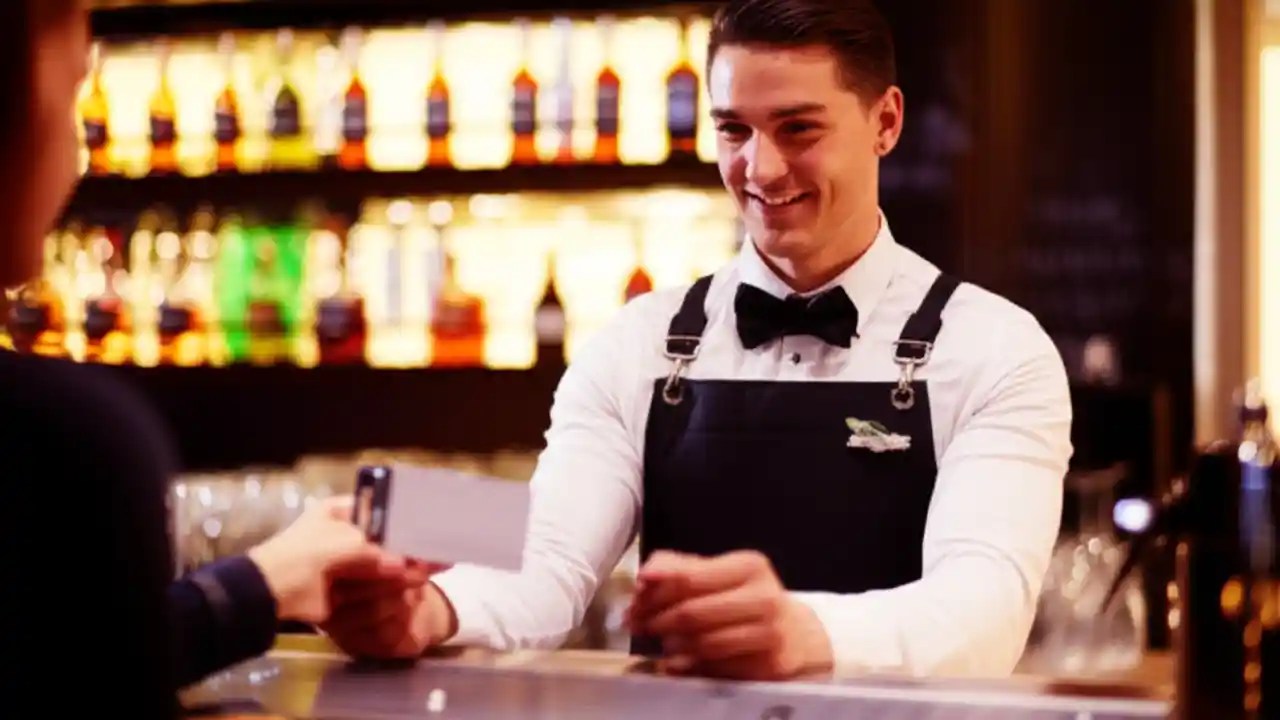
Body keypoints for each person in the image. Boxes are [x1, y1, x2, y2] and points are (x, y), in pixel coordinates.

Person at [323, 0, 1072, 681]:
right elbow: (549, 556)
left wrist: (805, 632)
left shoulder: (996, 350)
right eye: (733, 129)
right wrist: (429, 611)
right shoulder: (637, 344)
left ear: (886, 121)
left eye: (798, 129)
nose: (761, 168)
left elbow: (984, 608)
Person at [0, 1, 428, 714]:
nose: (76, 156)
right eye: (73, 91)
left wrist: (264, 585)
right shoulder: (61, 440)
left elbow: (60, 655)